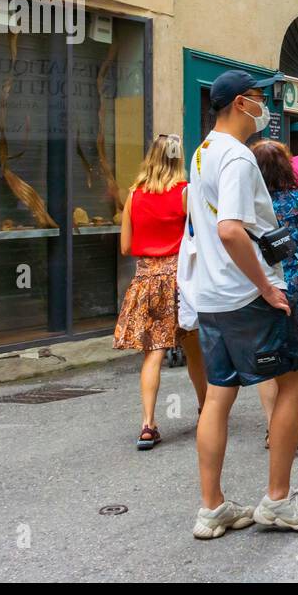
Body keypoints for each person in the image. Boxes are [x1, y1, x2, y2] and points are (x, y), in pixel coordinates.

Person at [185, 70, 298, 538]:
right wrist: (266, 287)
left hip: (212, 297)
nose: (267, 106)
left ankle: (212, 508)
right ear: (242, 103)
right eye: (261, 98)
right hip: (247, 295)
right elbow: (229, 229)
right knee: (296, 382)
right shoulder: (238, 159)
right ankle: (279, 499)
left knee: (219, 395)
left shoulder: (202, 151)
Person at [115, 134, 205, 450]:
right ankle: (206, 410)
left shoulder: (133, 195)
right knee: (194, 347)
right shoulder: (184, 193)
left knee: (152, 354)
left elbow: (126, 246)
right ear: (178, 159)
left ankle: (148, 424)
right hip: (178, 279)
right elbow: (201, 235)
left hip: (145, 279)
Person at [251, 139, 298, 451]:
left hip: (263, 282)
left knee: (268, 359)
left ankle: (271, 427)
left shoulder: (250, 201)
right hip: (297, 282)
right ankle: (293, 427)